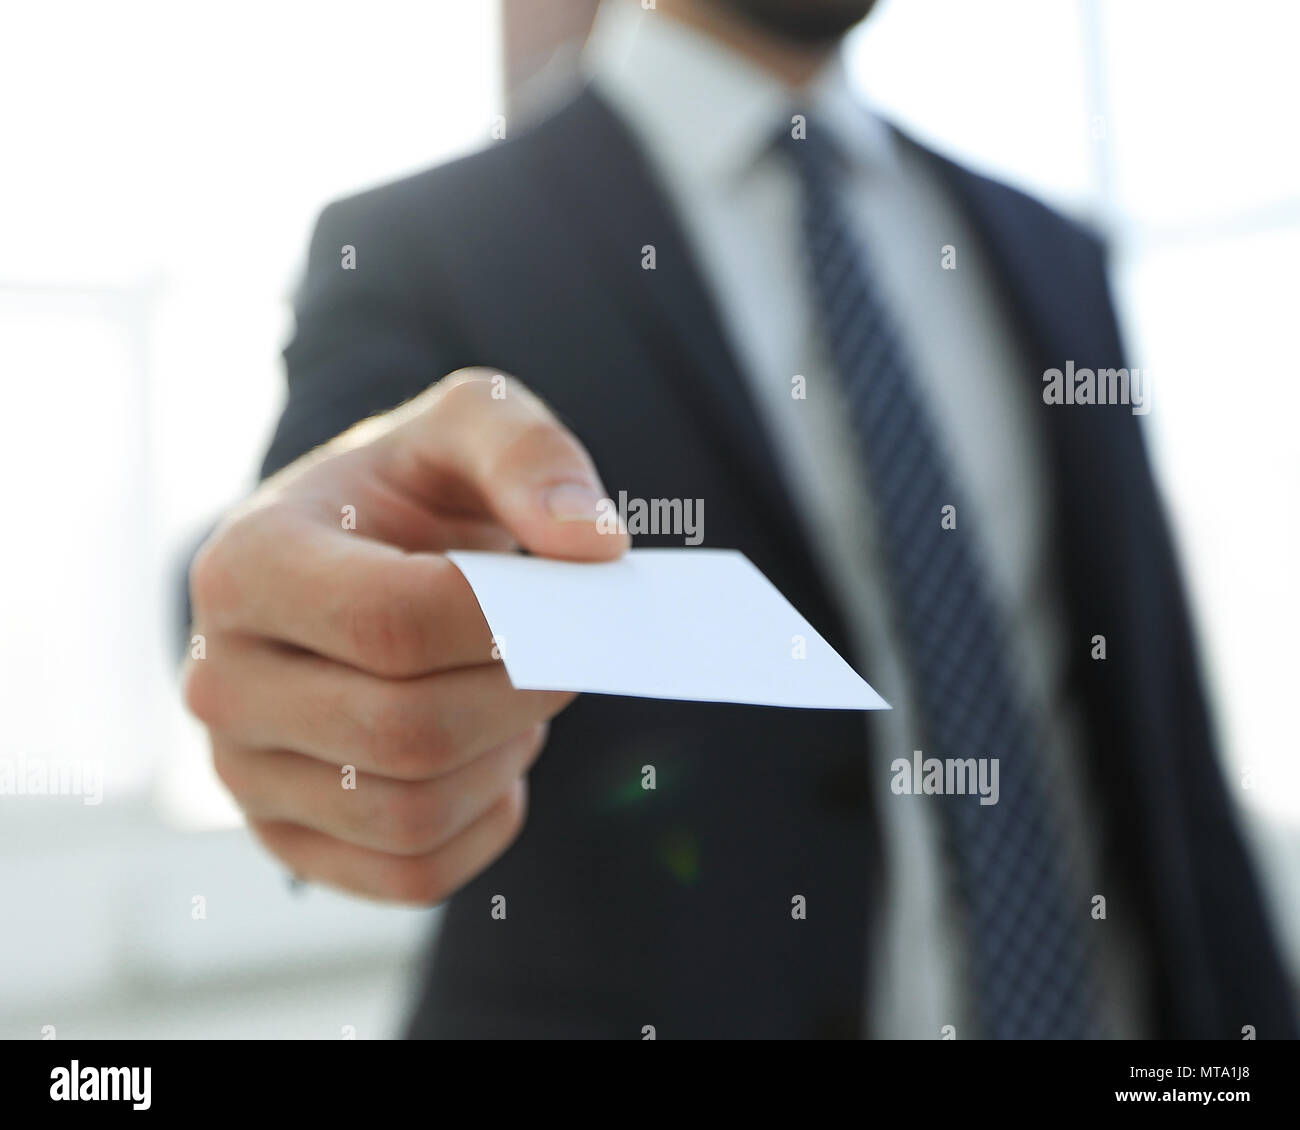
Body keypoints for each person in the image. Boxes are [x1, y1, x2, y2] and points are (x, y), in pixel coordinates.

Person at [182, 0, 1296, 1038]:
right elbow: (290, 535)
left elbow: (1161, 744)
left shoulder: (1050, 248)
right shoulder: (426, 243)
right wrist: (276, 634)